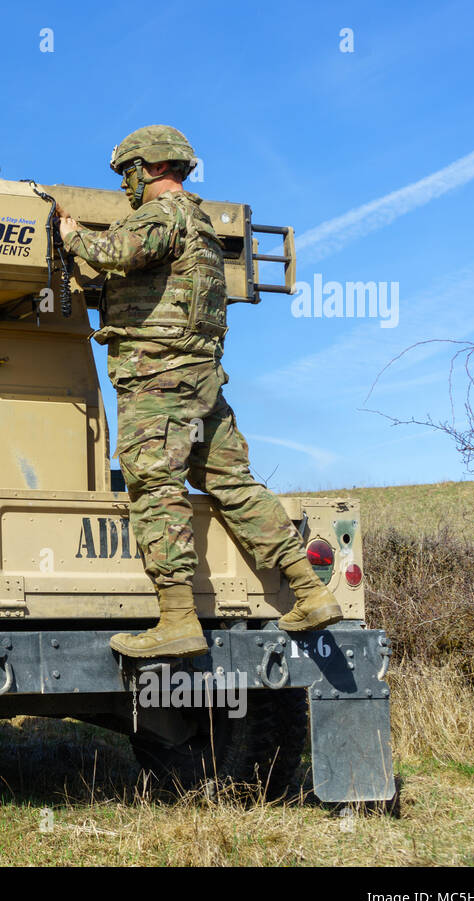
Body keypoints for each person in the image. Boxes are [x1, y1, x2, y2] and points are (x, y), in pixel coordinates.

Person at [55, 125, 343, 659]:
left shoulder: (162, 216)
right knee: (234, 483)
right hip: (202, 382)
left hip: (159, 382)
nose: (124, 185)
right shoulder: (204, 224)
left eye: (127, 172)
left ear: (148, 168)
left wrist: (72, 234)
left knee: (155, 485)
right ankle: (309, 590)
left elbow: (115, 253)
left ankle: (179, 618)